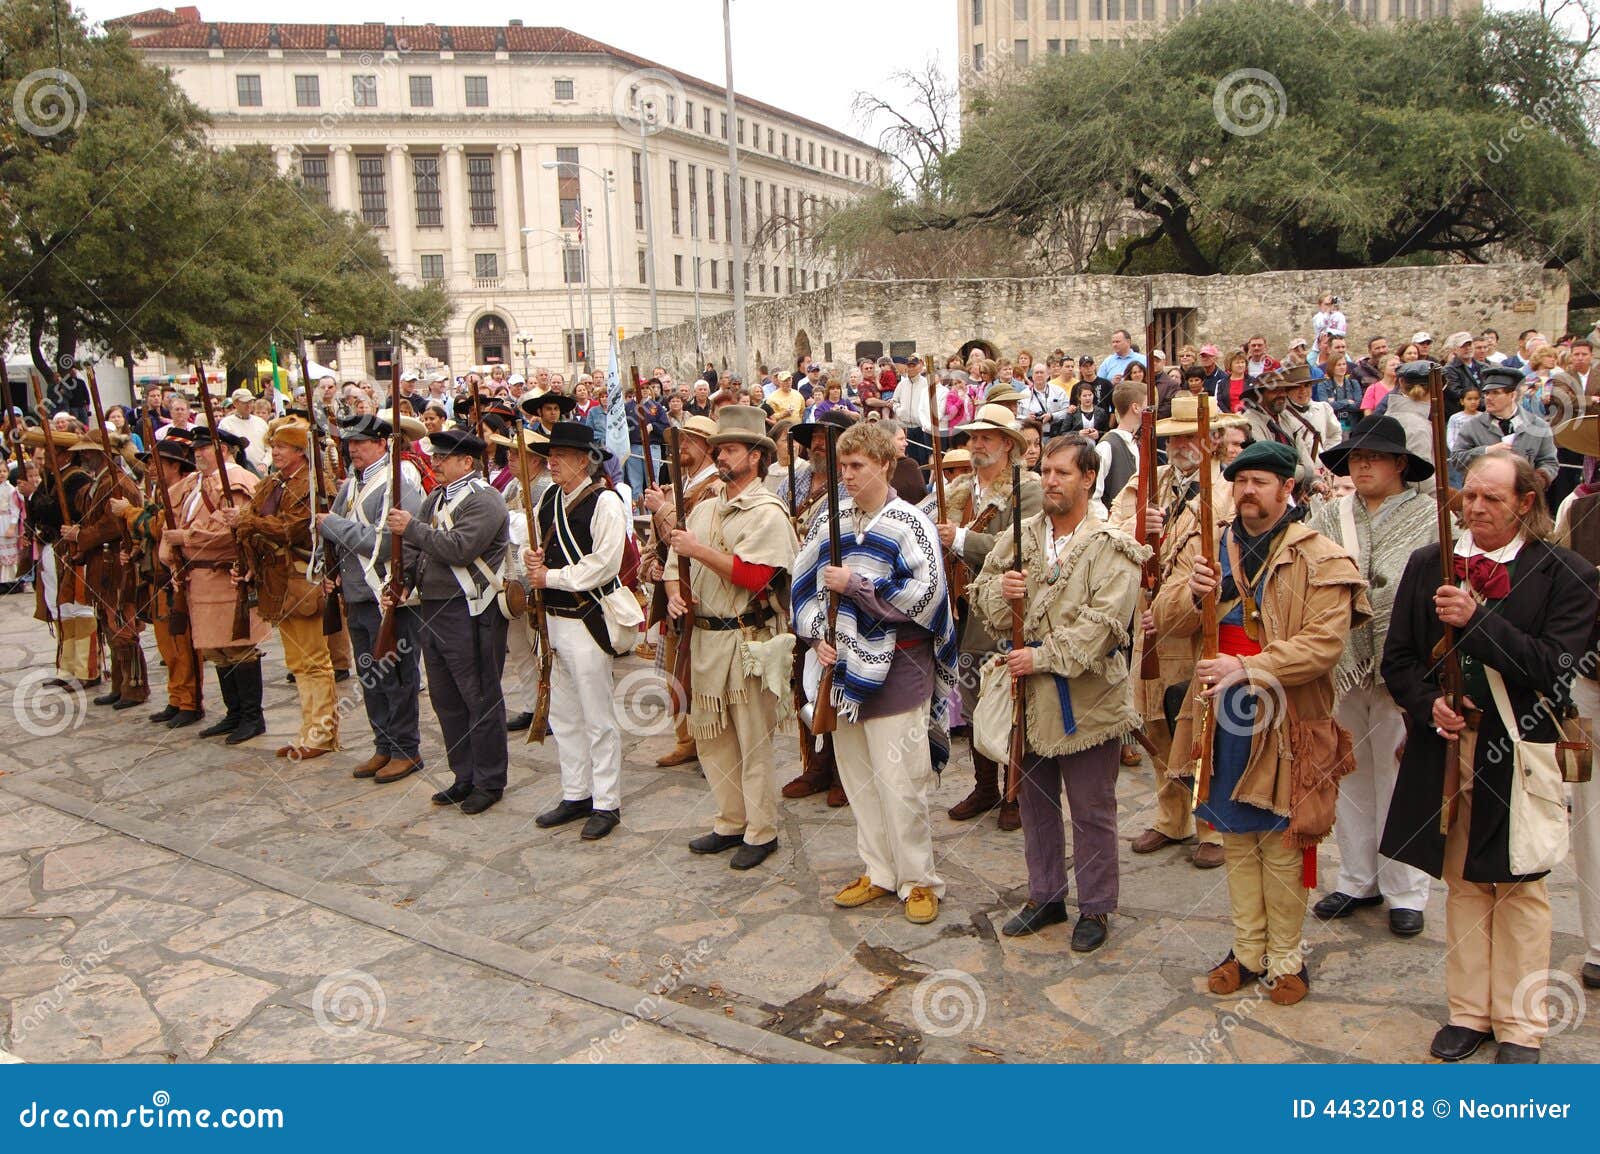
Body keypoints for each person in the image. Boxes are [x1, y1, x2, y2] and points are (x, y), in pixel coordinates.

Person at [1381, 450, 1598, 1062]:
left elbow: (1554, 666)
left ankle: (1521, 1024)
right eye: (1469, 496)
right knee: (1464, 882)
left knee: (1520, 886)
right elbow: (1399, 659)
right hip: (1448, 747)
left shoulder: (1569, 573)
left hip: (1519, 746)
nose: (1475, 508)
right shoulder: (1430, 563)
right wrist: (1428, 705)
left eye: (1491, 499)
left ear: (1526, 503)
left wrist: (1476, 621)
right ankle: (1469, 1012)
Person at [1155, 439, 1369, 1006]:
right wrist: (1191, 593)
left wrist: (1248, 667)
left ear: (1287, 488)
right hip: (1218, 716)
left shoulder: (1320, 555)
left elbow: (1324, 644)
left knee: (1281, 840)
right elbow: (1162, 618)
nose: (1247, 491)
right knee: (1236, 837)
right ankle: (1248, 952)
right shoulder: (1209, 548)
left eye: (1260, 482)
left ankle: (1287, 958)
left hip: (1286, 717)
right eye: (1240, 481)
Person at [971, 435, 1147, 951]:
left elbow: (1105, 625)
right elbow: (983, 595)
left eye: (1062, 473)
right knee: (1035, 803)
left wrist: (1042, 658)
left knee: (1092, 809)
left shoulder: (1112, 545)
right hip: (1029, 696)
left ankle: (1096, 906)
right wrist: (1002, 593)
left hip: (1089, 699)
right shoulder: (1022, 535)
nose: (1050, 481)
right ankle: (1045, 895)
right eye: (1045, 471)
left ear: (1088, 478)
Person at [793, 419, 957, 925]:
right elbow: (803, 584)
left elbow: (926, 596)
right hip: (843, 674)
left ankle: (919, 879)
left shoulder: (910, 524)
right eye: (842, 465)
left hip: (899, 673)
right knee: (861, 783)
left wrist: (859, 587)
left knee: (901, 784)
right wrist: (819, 636)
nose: (847, 475)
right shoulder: (829, 520)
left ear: (885, 465)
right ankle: (880, 872)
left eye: (857, 465)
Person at [1308, 417, 1439, 936]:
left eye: (1374, 457)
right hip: (1343, 657)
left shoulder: (1431, 518)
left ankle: (1406, 889)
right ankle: (1357, 878)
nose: (1361, 465)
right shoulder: (1329, 514)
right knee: (1351, 771)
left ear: (1400, 464)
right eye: (1356, 457)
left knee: (1400, 774)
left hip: (1404, 661)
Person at [1112, 394, 1245, 870]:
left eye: (1192, 436)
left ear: (1214, 439)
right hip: (1149, 621)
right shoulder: (1147, 484)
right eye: (1174, 438)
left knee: (1202, 726)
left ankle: (1212, 824)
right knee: (1156, 722)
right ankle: (1172, 818)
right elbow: (1108, 531)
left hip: (1203, 624)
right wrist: (1136, 525)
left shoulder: (1229, 491)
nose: (1183, 445)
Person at [665, 407, 798, 870]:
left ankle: (761, 831)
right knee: (712, 738)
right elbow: (674, 566)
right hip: (705, 640)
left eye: (731, 449)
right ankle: (730, 821)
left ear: (756, 457)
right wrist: (674, 594)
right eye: (719, 449)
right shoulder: (703, 508)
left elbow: (758, 577)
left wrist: (698, 550)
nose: (721, 456)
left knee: (752, 741)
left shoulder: (768, 512)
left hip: (748, 641)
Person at [525, 422, 644, 838]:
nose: (551, 462)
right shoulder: (549, 499)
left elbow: (604, 565)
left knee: (598, 718)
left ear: (583, 460)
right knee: (564, 716)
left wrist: (551, 578)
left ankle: (606, 802)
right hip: (553, 621)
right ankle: (576, 793)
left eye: (560, 455)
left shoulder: (605, 502)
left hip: (586, 621)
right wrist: (532, 562)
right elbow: (536, 551)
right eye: (550, 455)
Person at [387, 428, 511, 815]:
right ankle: (464, 775)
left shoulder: (484, 500)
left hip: (470, 609)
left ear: (466, 462)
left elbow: (460, 549)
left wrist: (412, 527)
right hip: (434, 607)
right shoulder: (436, 498)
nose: (435, 463)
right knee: (447, 700)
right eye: (434, 457)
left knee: (480, 698)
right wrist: (403, 581)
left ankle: (489, 780)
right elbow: (413, 549)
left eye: (443, 458)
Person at [937, 404, 1042, 831]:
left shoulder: (1027, 489)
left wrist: (961, 538)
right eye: (973, 437)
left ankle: (1017, 793)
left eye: (987, 438)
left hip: (1005, 610)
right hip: (961, 609)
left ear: (1008, 445)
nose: (977, 444)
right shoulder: (958, 490)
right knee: (974, 701)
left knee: (1012, 703)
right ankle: (986, 788)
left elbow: (1017, 545)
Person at [319, 413, 426, 785]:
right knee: (370, 678)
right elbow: (334, 537)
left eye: (361, 442)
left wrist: (332, 525)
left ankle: (406, 749)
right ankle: (384, 744)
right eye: (350, 443)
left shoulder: (397, 485)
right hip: (357, 595)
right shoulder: (352, 484)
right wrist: (331, 571)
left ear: (382, 444)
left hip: (387, 596)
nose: (353, 449)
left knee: (397, 677)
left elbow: (386, 543)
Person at [232, 418, 338, 760]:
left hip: (302, 577)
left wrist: (250, 522)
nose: (275, 452)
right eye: (274, 446)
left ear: (299, 451)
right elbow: (250, 521)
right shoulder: (273, 482)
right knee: (297, 661)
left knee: (314, 660)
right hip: (276, 578)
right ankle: (308, 731)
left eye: (282, 447)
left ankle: (321, 734)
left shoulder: (314, 484)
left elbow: (291, 529)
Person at [162, 426, 271, 745]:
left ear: (223, 449)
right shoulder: (197, 483)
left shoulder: (236, 480)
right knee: (216, 648)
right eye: (195, 449)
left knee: (238, 646)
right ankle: (234, 713)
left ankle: (251, 717)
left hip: (226, 576)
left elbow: (231, 534)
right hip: (199, 577)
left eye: (204, 448)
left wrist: (187, 539)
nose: (196, 453)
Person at [641, 414, 723, 768]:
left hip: (703, 589)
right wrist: (652, 567)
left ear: (708, 447)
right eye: (679, 439)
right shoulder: (675, 487)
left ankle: (712, 745)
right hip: (672, 592)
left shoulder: (717, 488)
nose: (681, 446)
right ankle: (686, 740)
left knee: (702, 674)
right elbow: (653, 545)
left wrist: (662, 509)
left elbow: (691, 537)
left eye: (689, 440)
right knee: (674, 671)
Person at [109, 428, 204, 728]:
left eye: (157, 462)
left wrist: (128, 512)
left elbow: (157, 526)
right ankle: (176, 698)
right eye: (149, 462)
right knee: (167, 644)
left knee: (181, 644)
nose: (150, 467)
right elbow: (150, 536)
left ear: (175, 466)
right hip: (156, 577)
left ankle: (190, 702)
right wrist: (135, 552)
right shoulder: (161, 492)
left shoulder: (184, 492)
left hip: (174, 578)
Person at [1550, 443, 1600, 992]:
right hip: (1591, 679)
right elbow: (1560, 587)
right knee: (1591, 811)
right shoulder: (1579, 509)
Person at [62, 430, 148, 710]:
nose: (84, 455)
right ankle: (120, 685)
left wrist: (80, 535)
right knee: (109, 624)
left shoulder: (117, 483)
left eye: (88, 451)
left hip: (117, 563)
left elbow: (111, 525)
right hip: (103, 563)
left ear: (101, 454)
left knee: (122, 624)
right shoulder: (102, 481)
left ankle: (134, 687)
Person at [1449, 365, 1558, 491]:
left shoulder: (1538, 425)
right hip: (1485, 495)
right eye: (1486, 393)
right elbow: (1456, 459)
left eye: (1495, 393)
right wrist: (1487, 451)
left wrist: (1534, 482)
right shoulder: (1472, 425)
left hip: (1525, 496)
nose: (1488, 398)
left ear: (1512, 395)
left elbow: (1549, 462)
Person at [1093, 381, 1144, 510]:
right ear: (1136, 408)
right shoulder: (1106, 446)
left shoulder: (1137, 443)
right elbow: (1093, 497)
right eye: (1147, 406)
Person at [218, 387, 270, 471]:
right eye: (245, 402)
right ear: (235, 403)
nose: (249, 405)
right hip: (237, 471)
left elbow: (269, 447)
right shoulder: (226, 424)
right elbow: (223, 450)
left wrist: (265, 463)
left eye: (251, 402)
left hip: (261, 471)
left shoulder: (261, 423)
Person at [1018, 364, 1071, 436]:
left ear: (1047, 375)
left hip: (1053, 435)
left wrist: (1052, 416)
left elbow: (1067, 411)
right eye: (1037, 373)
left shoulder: (1058, 391)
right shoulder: (1023, 394)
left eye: (1042, 372)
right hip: (1031, 434)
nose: (1039, 375)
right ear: (1032, 376)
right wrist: (1027, 418)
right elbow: (1017, 415)